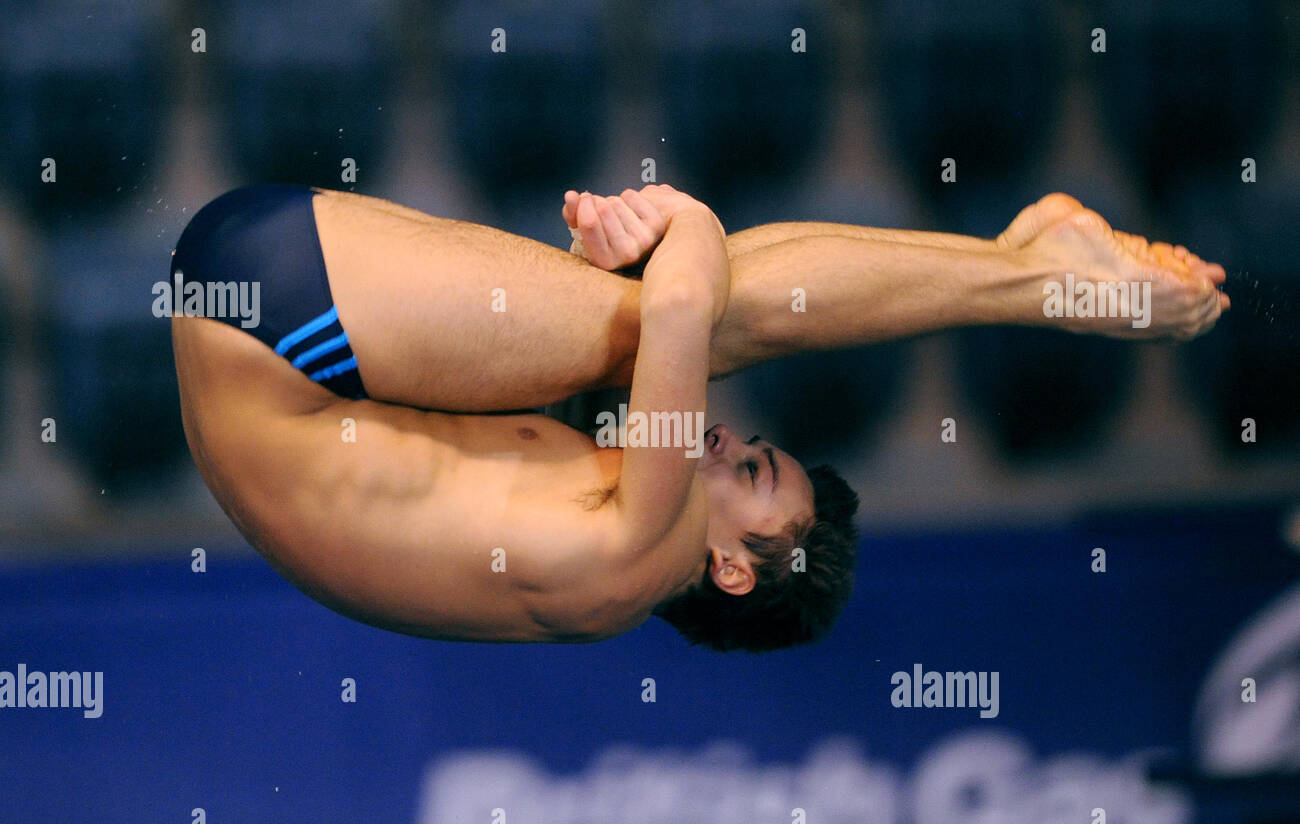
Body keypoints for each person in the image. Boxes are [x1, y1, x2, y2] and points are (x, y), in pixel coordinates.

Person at [169, 183, 1228, 650]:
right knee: (675, 319)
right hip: (265, 313)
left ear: (735, 567)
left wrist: (680, 219)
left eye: (752, 474)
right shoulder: (614, 531)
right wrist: (610, 257)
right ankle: (1032, 267)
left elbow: (684, 298)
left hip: (273, 316)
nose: (723, 441)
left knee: (696, 319)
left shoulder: (642, 542)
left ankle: (1051, 281)